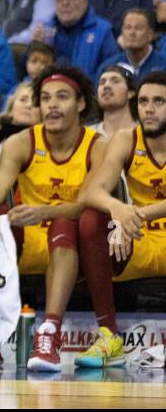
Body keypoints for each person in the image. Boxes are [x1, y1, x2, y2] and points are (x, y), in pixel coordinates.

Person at [0, 68, 106, 371]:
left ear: (80, 104)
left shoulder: (98, 145)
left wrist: (46, 212)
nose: (51, 105)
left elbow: (88, 204)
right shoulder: (20, 142)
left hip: (73, 246)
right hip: (26, 240)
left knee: (67, 224)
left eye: (61, 97)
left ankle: (50, 333)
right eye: (46, 98)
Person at [74, 70, 166, 368]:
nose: (149, 109)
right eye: (143, 101)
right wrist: (117, 209)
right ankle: (109, 335)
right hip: (140, 238)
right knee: (90, 220)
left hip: (141, 223)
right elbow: (92, 192)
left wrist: (132, 213)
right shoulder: (127, 138)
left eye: (159, 102)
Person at [50, 0, 118, 72]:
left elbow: (110, 70)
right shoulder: (45, 30)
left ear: (85, 1)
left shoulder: (102, 31)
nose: (65, 3)